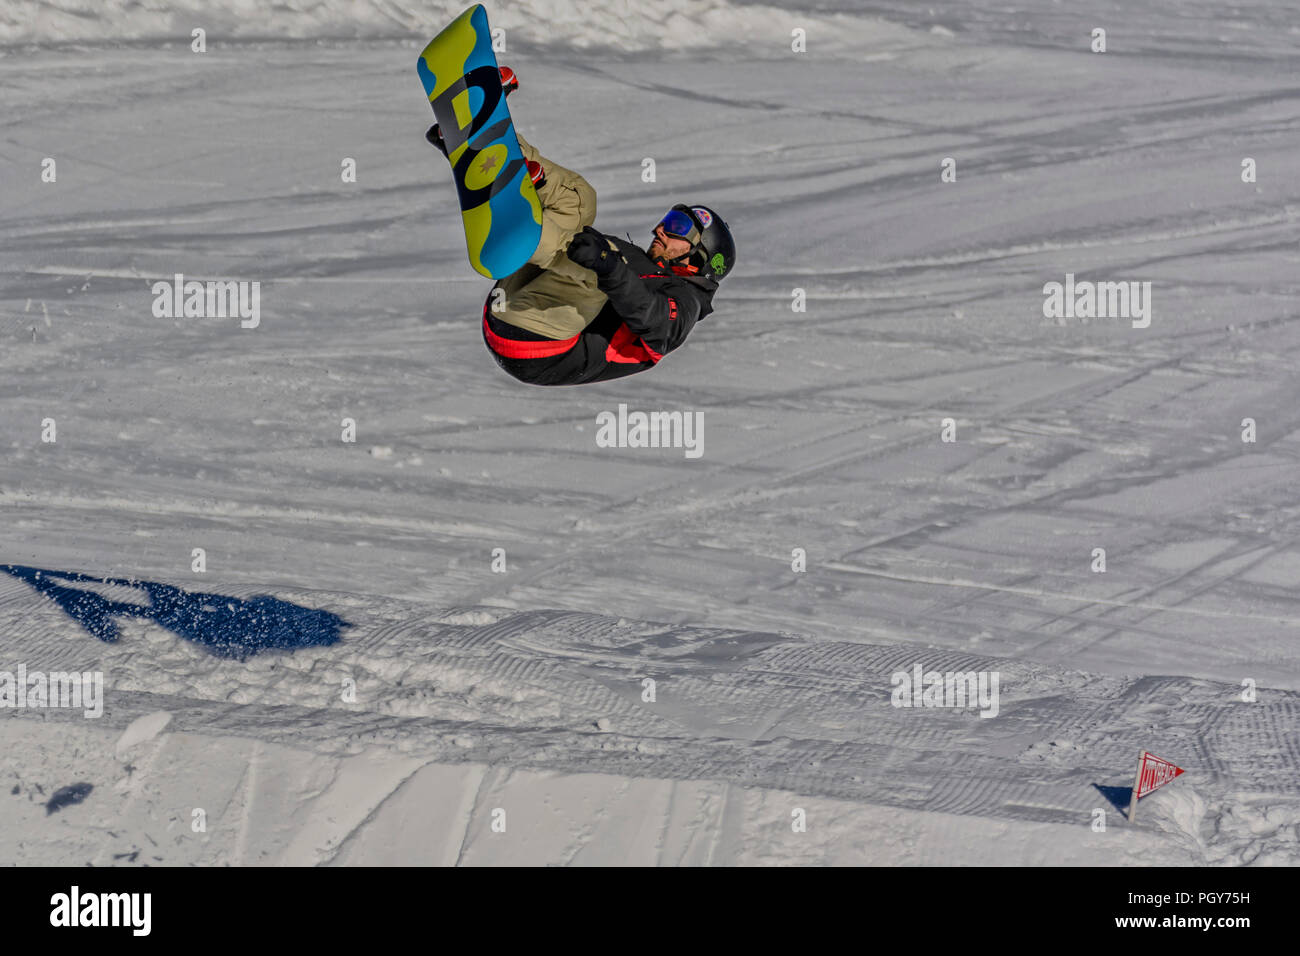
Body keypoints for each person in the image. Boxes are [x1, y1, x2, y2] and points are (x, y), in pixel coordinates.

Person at [427, 67, 736, 386]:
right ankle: (484, 145)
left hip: (537, 347)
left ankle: (518, 226)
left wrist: (608, 266)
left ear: (698, 259)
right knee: (582, 198)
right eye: (668, 220)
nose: (661, 229)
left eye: (678, 227)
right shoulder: (641, 261)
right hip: (513, 306)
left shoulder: (685, 302)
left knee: (603, 265)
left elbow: (655, 320)